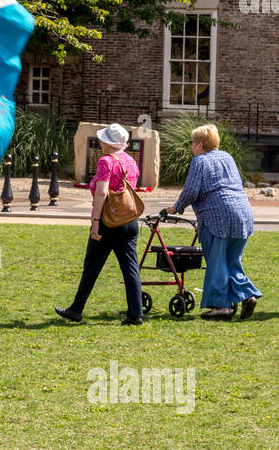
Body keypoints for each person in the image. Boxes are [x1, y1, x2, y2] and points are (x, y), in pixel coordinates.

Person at [163, 123, 260, 321]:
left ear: (199, 144)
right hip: (242, 213)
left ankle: (220, 307)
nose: (191, 145)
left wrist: (175, 208)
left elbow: (191, 191)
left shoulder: (200, 161)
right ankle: (247, 295)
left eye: (192, 142)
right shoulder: (227, 157)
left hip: (217, 216)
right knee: (232, 260)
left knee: (216, 262)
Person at [56, 122, 143, 325]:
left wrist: (95, 221)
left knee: (92, 265)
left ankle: (76, 309)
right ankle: (136, 313)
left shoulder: (106, 161)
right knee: (131, 267)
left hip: (107, 220)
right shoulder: (131, 161)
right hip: (129, 220)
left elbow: (102, 192)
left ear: (107, 142)